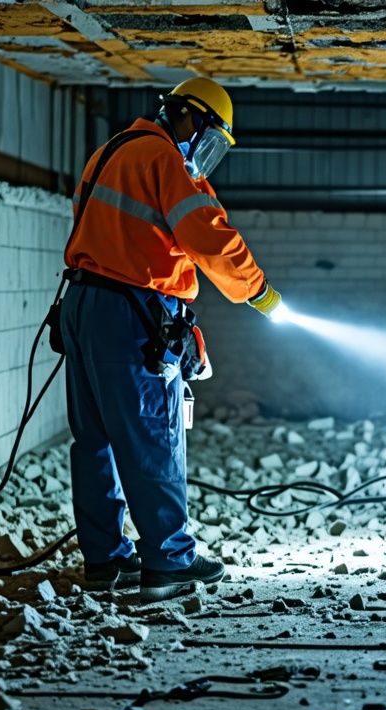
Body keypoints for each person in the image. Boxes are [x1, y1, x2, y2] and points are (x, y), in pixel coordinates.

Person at [59, 77, 283, 601]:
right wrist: (260, 293)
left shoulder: (108, 152)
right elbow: (208, 236)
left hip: (83, 304)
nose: (204, 153)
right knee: (153, 435)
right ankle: (169, 561)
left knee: (95, 441)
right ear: (189, 117)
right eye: (208, 138)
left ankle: (106, 560)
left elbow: (130, 242)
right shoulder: (165, 161)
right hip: (131, 310)